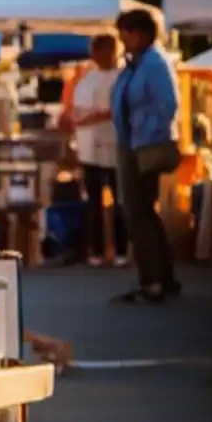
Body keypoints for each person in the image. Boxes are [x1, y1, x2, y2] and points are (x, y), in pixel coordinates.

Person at [111, 9, 181, 303]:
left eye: (124, 35)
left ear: (138, 34)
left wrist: (147, 135)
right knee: (143, 212)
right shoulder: (137, 64)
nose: (122, 41)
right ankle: (163, 277)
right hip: (132, 143)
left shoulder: (153, 64)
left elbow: (167, 104)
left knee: (137, 213)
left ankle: (151, 281)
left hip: (143, 146)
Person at [73, 35, 127, 267]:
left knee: (119, 201)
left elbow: (118, 109)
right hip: (88, 148)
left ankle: (121, 250)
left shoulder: (123, 77)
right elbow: (77, 109)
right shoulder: (88, 78)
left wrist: (93, 117)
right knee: (92, 202)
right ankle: (94, 250)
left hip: (114, 144)